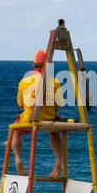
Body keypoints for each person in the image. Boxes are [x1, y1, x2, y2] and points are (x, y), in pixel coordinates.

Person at [10, 49, 64, 178]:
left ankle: (17, 159)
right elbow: (60, 104)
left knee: (15, 131)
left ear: (34, 64)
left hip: (30, 117)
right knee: (54, 132)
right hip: (49, 118)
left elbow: (21, 104)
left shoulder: (25, 81)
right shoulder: (55, 81)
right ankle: (58, 161)